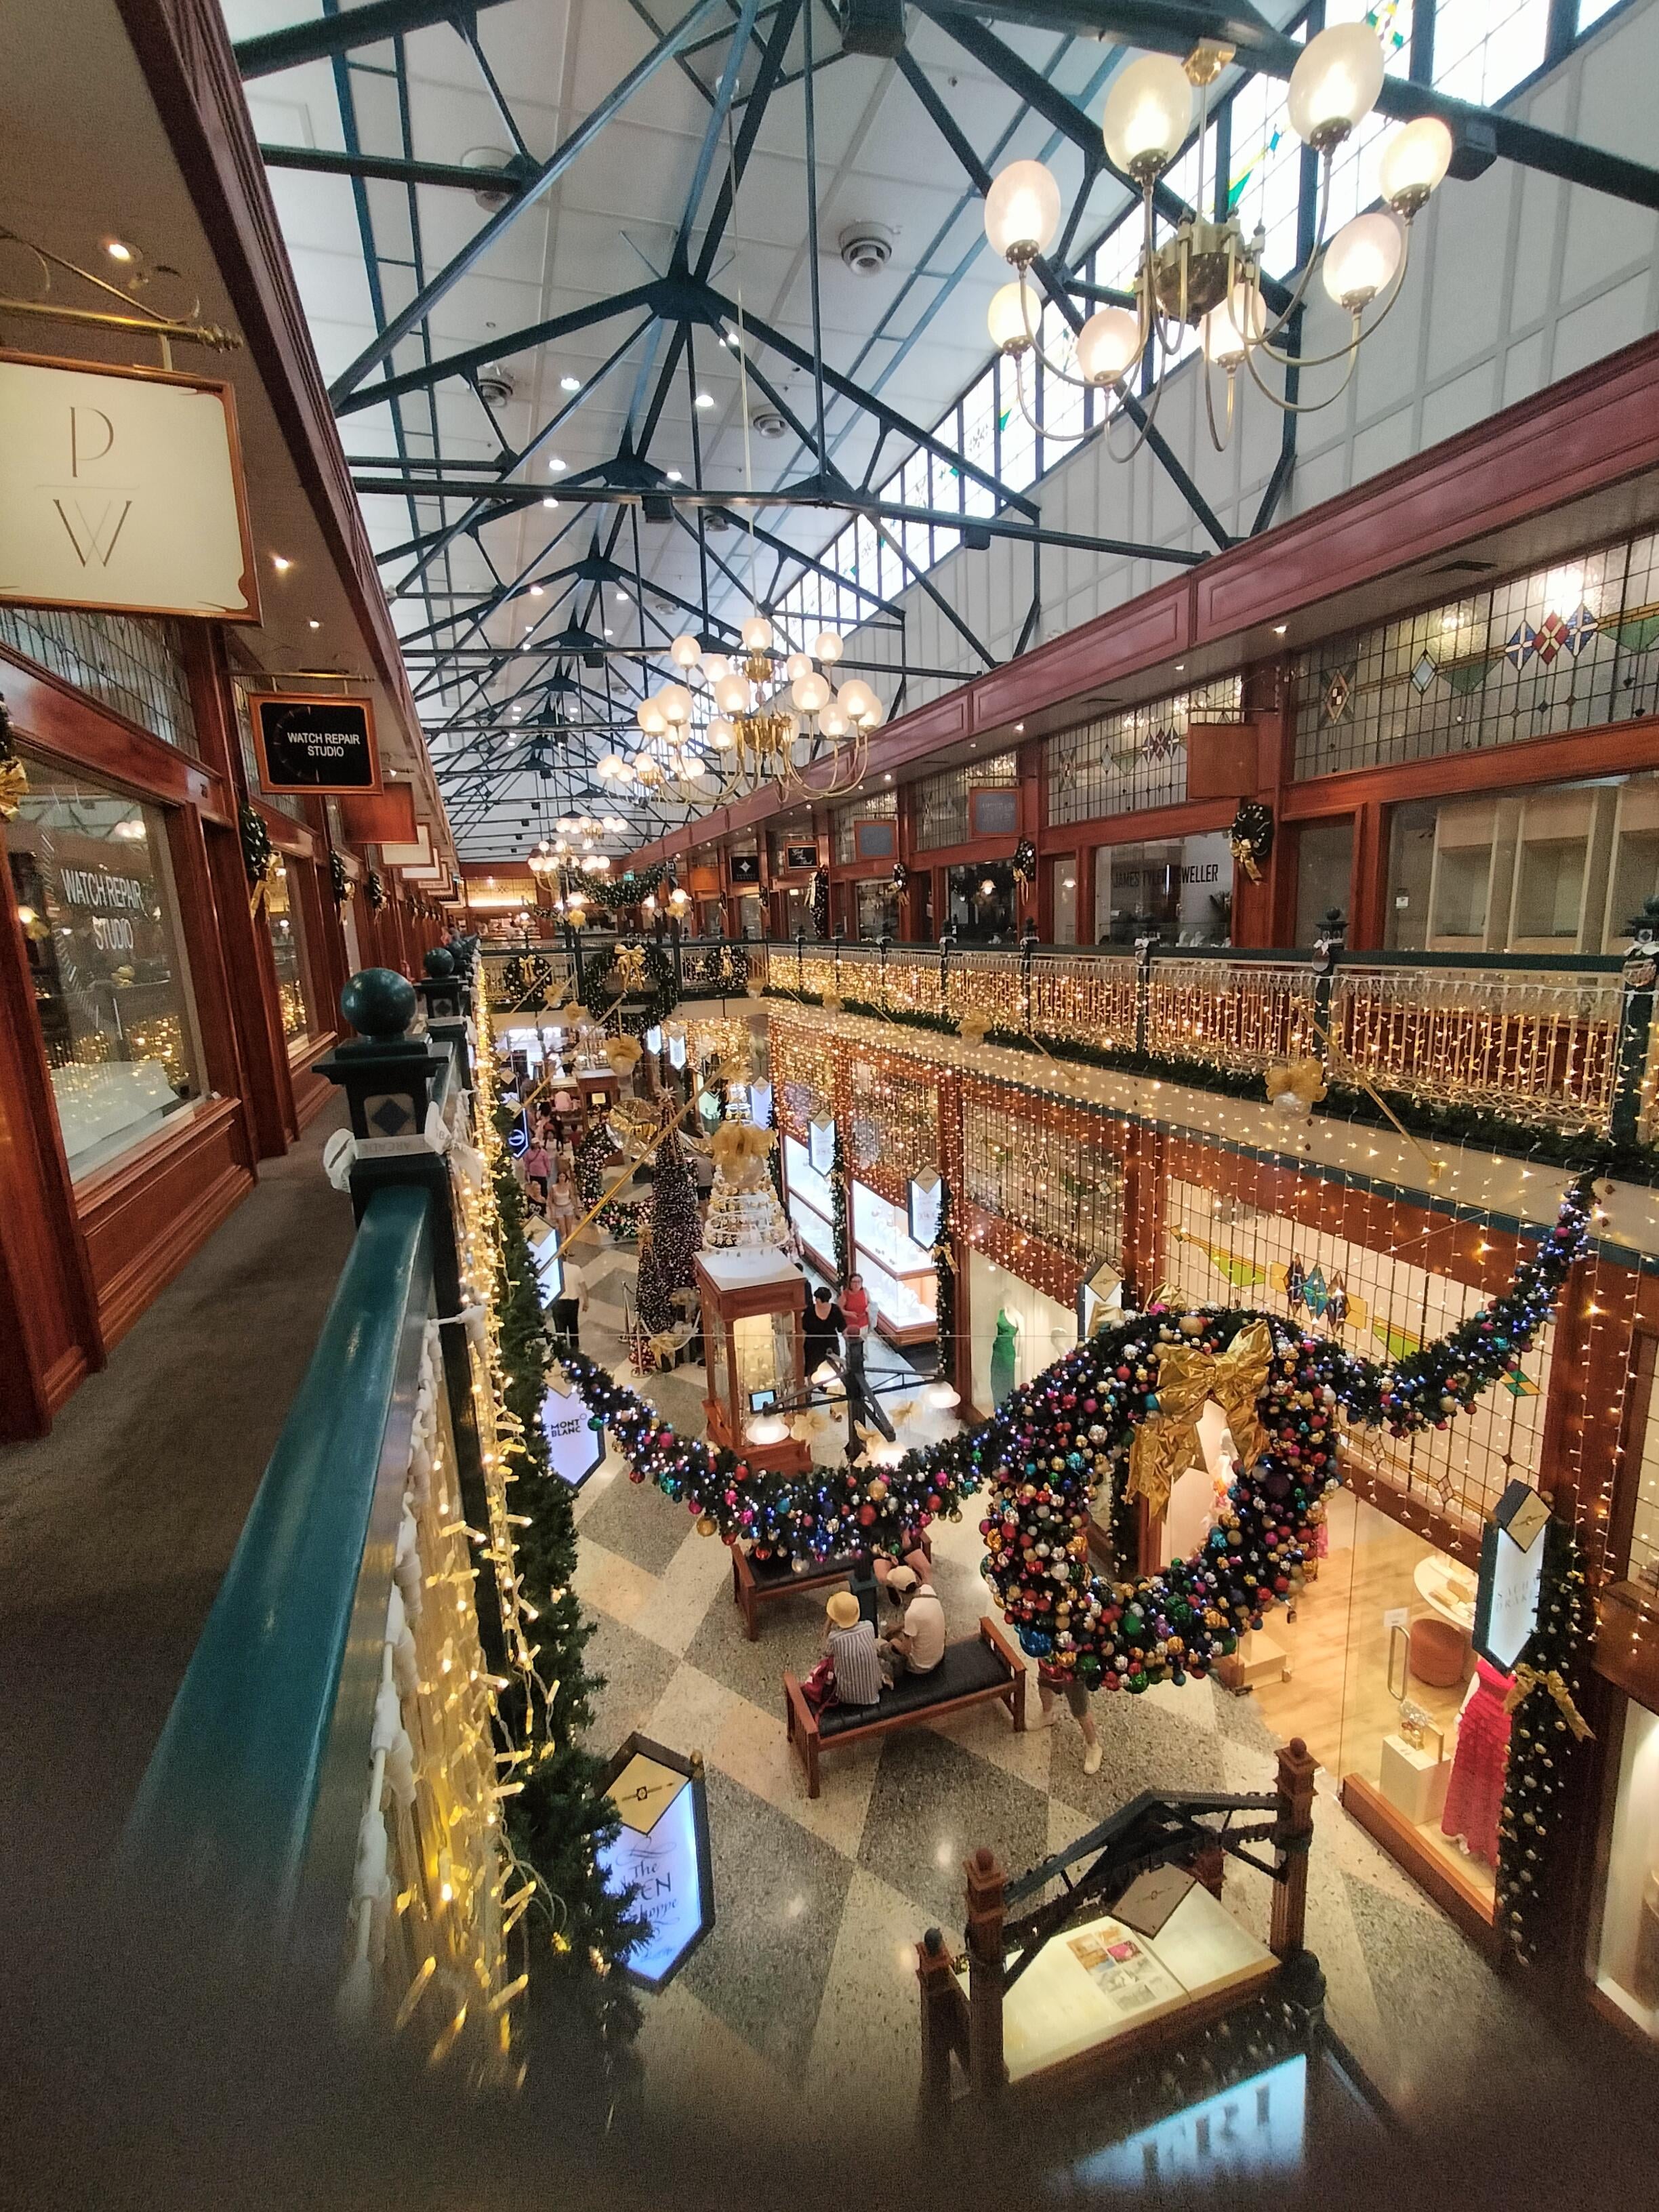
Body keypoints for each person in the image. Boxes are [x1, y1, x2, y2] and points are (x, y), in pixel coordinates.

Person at [878, 1559, 945, 1683]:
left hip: (922, 1666)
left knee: (883, 1646)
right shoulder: (928, 1590)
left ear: (899, 1590)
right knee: (896, 1633)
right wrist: (899, 1627)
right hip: (938, 1655)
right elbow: (921, 1620)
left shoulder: (912, 1613)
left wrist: (892, 1642)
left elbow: (906, 1649)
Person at [1033, 1668, 1103, 1775]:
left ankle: (1093, 1745)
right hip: (1050, 1659)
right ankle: (1047, 1713)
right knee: (1044, 1684)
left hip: (1074, 1669)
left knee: (1080, 1709)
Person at [823, 1590, 882, 1708]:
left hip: (847, 1698)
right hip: (874, 1694)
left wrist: (828, 1625)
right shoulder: (869, 1626)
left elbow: (825, 1652)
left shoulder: (835, 1638)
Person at [550, 1251, 588, 1353]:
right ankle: (575, 1352)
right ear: (566, 1256)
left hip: (558, 1304)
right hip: (572, 1303)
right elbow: (584, 1288)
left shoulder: (553, 1271)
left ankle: (562, 1353)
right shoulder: (575, 1269)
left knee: (560, 1330)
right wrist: (586, 1302)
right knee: (573, 1328)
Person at [802, 1282, 844, 1376]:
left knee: (832, 1369)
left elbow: (842, 1327)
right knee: (812, 1370)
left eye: (817, 1299)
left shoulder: (835, 1310)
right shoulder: (810, 1311)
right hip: (813, 1347)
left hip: (830, 1346)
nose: (816, 1301)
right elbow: (803, 1329)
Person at [838, 1271, 871, 1337]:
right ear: (850, 1283)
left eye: (859, 1282)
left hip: (863, 1324)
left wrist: (868, 1308)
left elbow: (870, 1303)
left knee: (863, 1344)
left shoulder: (865, 1291)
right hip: (850, 1325)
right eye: (854, 1282)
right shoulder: (845, 1294)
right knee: (851, 1345)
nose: (857, 1284)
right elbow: (839, 1309)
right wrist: (849, 1314)